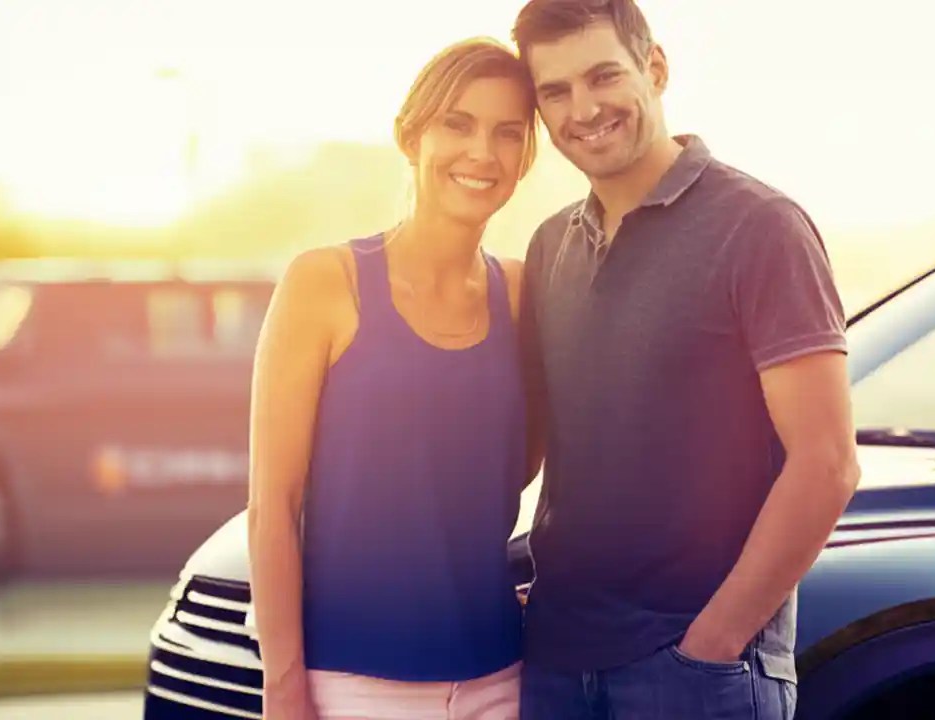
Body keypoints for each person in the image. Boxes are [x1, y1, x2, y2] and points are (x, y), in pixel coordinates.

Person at [510, 1, 863, 718]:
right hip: (554, 665)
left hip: (696, 674)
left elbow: (827, 463)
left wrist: (716, 640)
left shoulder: (760, 228)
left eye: (603, 75)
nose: (584, 109)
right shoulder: (551, 246)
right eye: (555, 91)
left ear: (656, 68)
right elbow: (533, 450)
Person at [247, 37, 538, 720]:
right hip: (354, 683)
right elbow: (273, 505)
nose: (481, 153)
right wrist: (283, 687)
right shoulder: (323, 282)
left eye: (507, 133)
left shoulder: (524, 296)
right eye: (456, 124)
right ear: (410, 137)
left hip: (499, 676)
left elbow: (518, 469)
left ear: (525, 158)